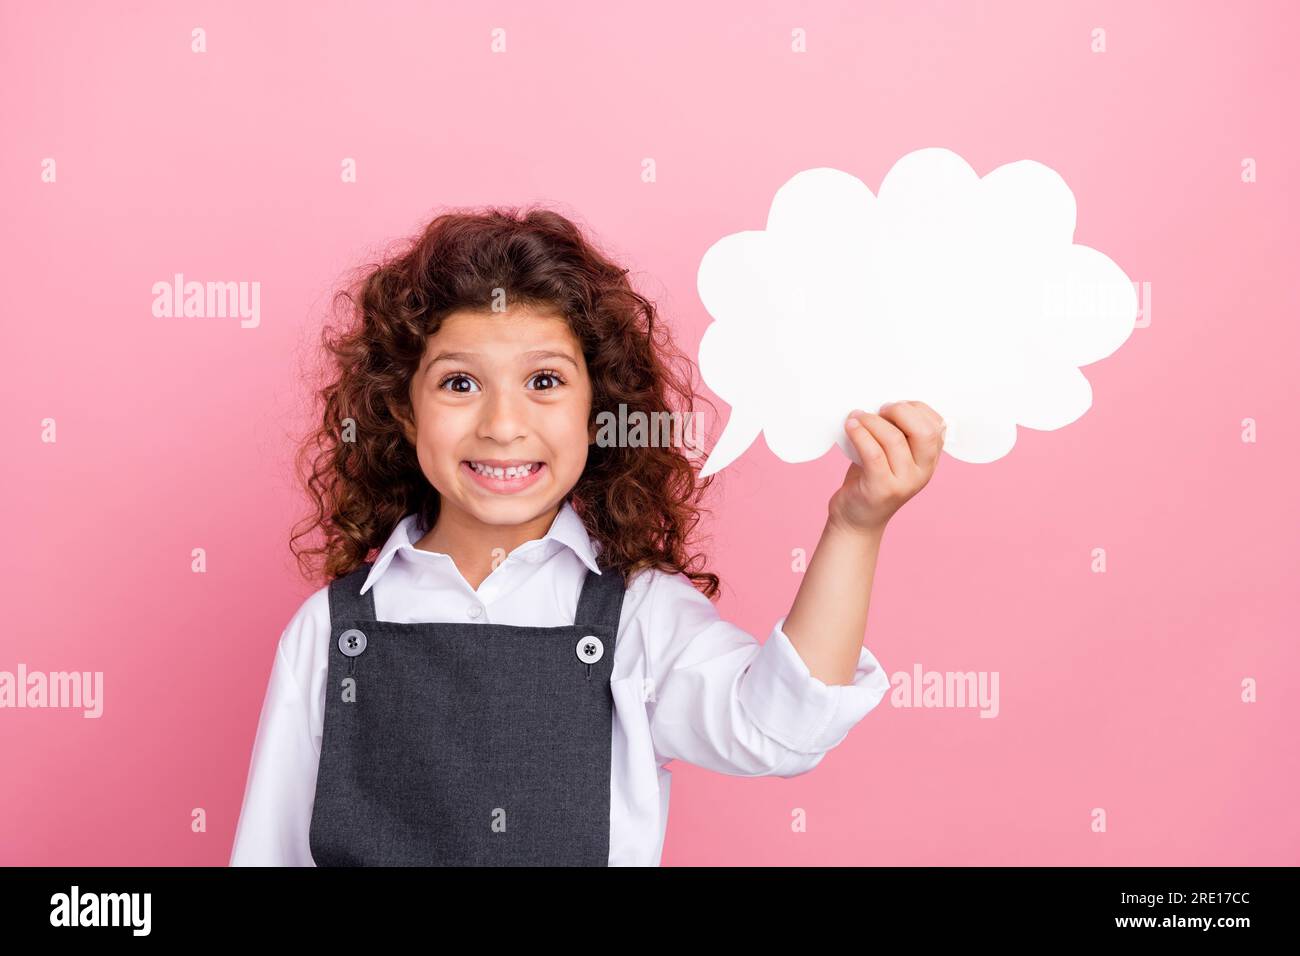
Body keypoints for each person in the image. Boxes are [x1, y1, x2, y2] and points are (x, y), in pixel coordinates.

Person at [229, 206, 945, 866]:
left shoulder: (638, 618)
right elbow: (270, 851)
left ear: (596, 412)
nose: (503, 424)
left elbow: (780, 730)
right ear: (405, 412)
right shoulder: (332, 631)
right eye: (459, 384)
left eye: (544, 381)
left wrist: (855, 524)